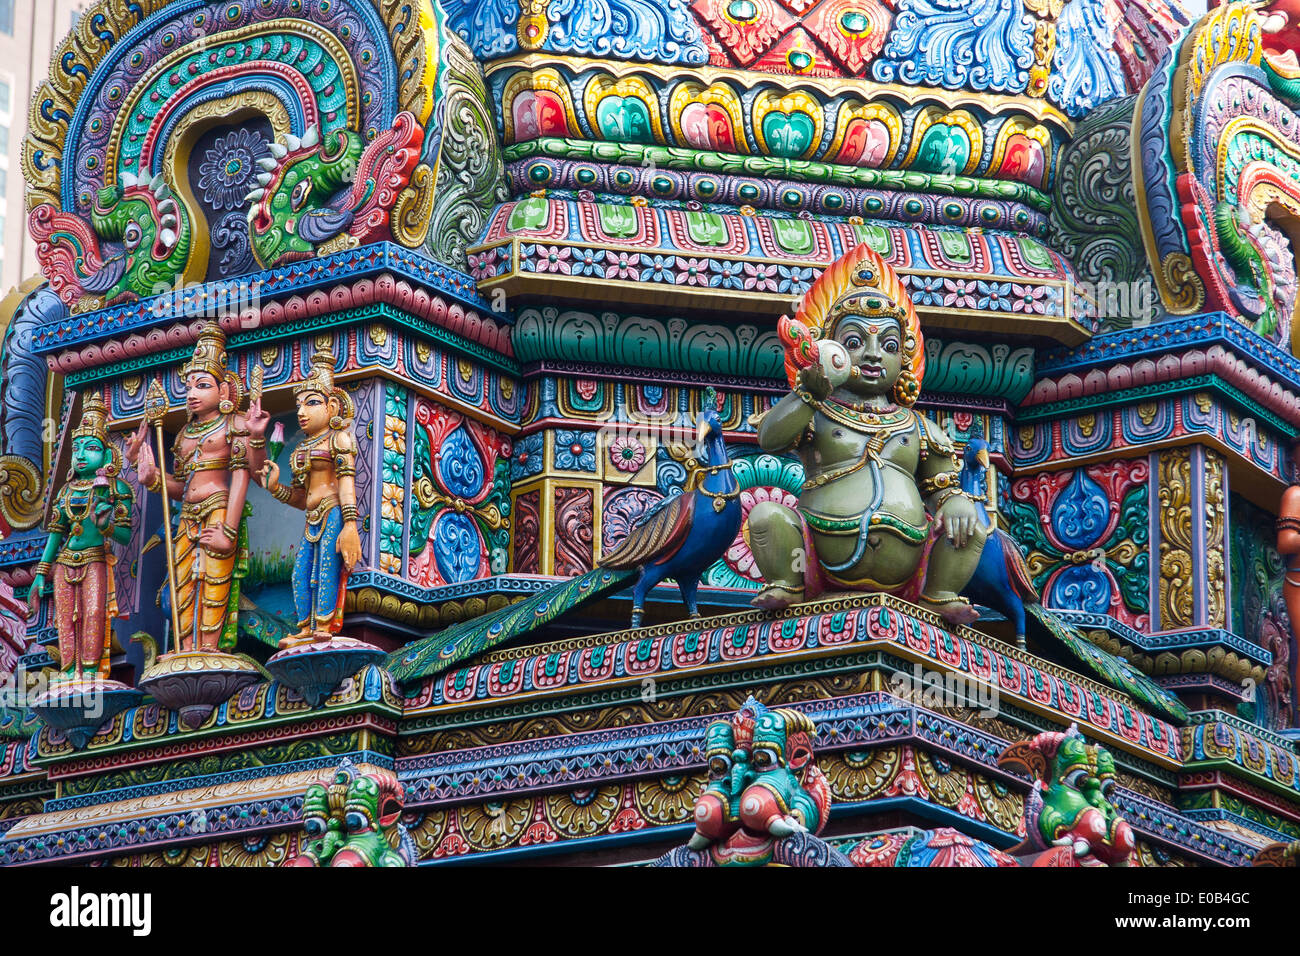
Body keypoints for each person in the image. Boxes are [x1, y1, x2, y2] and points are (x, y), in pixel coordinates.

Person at [259, 348, 362, 648]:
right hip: (311, 516)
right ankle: (305, 627)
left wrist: (351, 525)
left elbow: (346, 483)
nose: (302, 412)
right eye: (299, 405)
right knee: (300, 572)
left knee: (326, 568)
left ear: (332, 407)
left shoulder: (338, 439)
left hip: (334, 512)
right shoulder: (301, 449)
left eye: (312, 403)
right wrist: (275, 487)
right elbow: (301, 498)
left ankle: (324, 625)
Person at [29, 392, 133, 679]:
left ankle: (89, 669)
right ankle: (67, 670)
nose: (81, 455)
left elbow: (124, 536)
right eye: (77, 449)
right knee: (65, 619)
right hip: (64, 562)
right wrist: (41, 572)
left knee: (93, 614)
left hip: (95, 559)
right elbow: (55, 533)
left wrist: (105, 525)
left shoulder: (116, 490)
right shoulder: (66, 491)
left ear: (108, 454)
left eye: (91, 448)